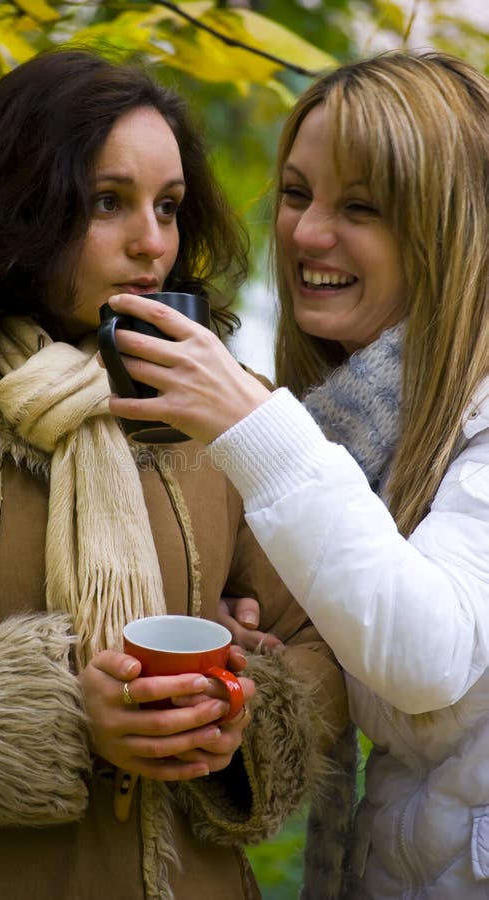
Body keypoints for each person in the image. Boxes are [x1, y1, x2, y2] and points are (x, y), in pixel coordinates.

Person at [0, 48, 349, 900]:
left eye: (168, 206)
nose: (153, 243)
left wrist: (236, 712)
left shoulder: (221, 404)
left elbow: (324, 642)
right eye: (108, 201)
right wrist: (56, 713)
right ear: (14, 204)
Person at [103, 49, 489, 898]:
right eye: (295, 193)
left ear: (448, 229)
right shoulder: (367, 420)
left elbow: (426, 656)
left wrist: (252, 425)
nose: (307, 234)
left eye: (361, 207)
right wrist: (255, 638)